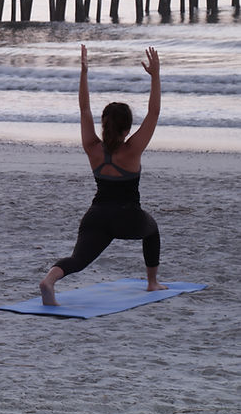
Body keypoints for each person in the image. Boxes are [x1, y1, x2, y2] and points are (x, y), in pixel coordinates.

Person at [39, 45, 166, 305]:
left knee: (77, 260)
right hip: (128, 218)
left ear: (104, 124)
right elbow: (154, 113)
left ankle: (49, 281)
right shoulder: (132, 150)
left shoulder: (92, 148)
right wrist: (155, 76)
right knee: (151, 231)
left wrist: (84, 72)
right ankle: (152, 282)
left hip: (96, 216)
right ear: (127, 127)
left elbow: (84, 110)